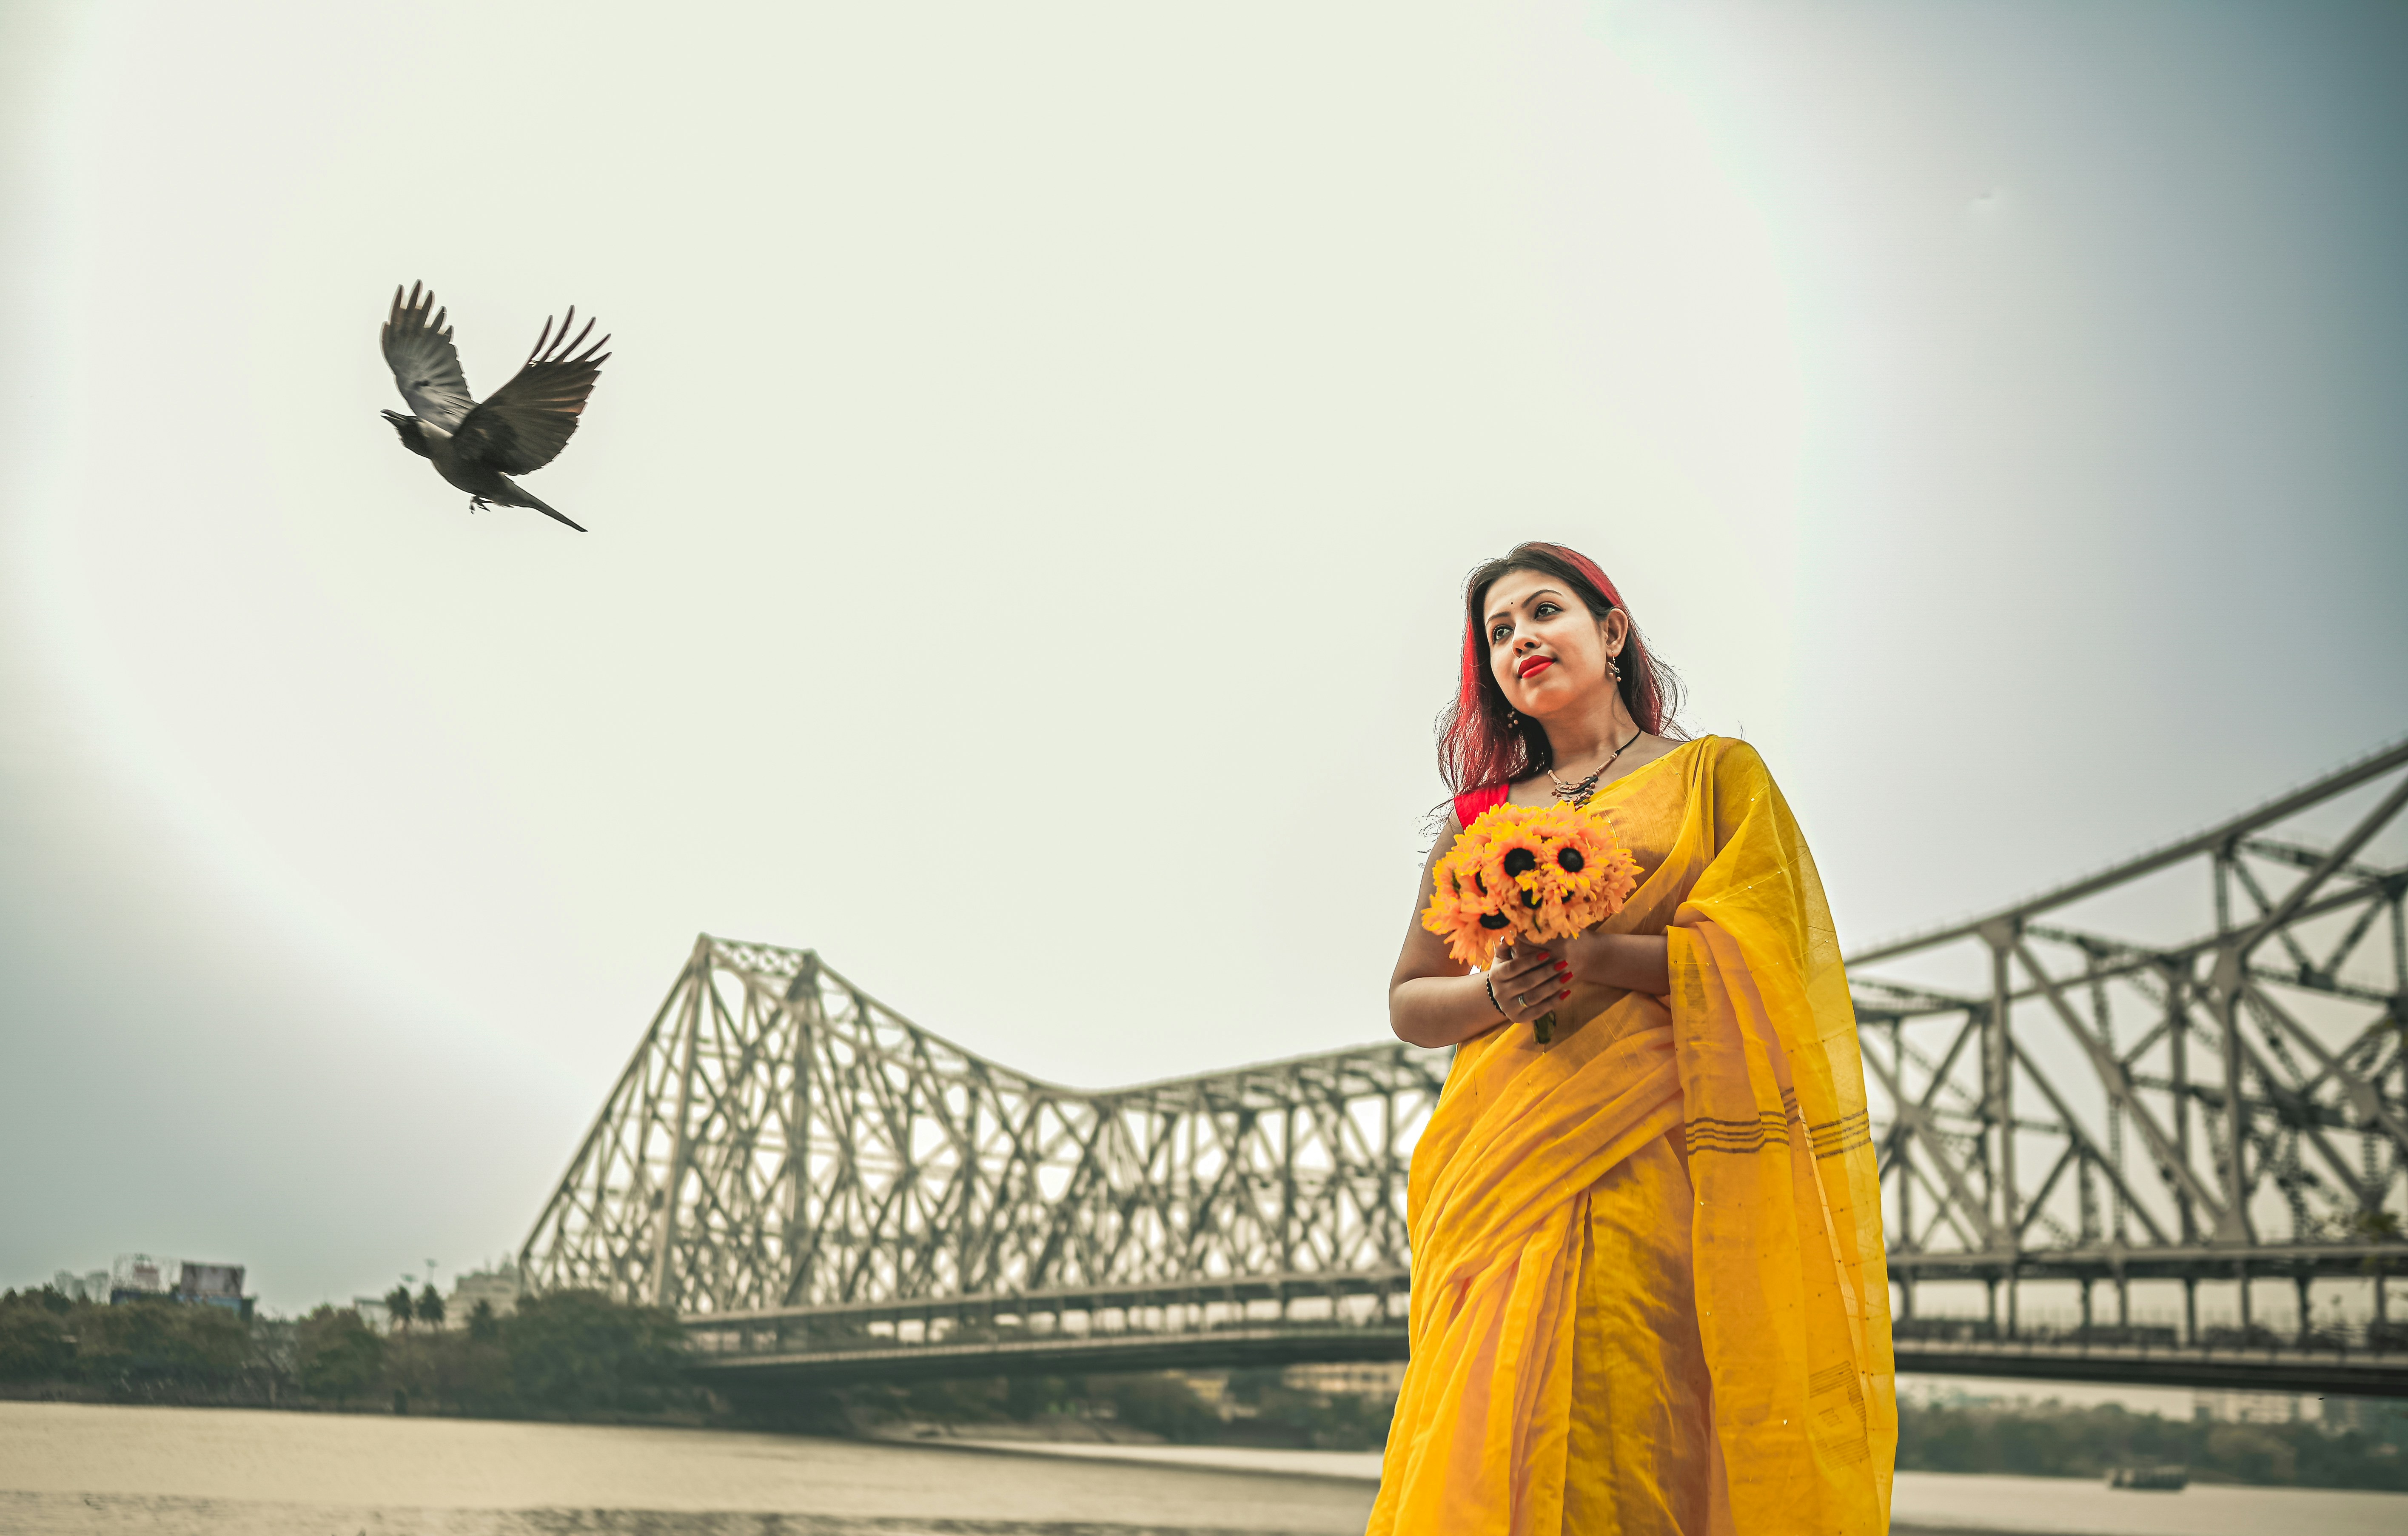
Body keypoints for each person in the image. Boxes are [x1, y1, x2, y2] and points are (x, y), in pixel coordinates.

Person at [1372, 543, 1894, 1536]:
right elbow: (1409, 1002)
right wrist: (1502, 992)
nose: (1520, 638)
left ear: (1610, 632)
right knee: (1488, 1432)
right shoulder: (1476, 821)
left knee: (1637, 1426)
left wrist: (1598, 956)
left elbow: (1774, 967)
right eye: (1497, 632)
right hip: (1495, 1175)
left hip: (1653, 1167)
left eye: (1543, 612)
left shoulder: (1712, 779)